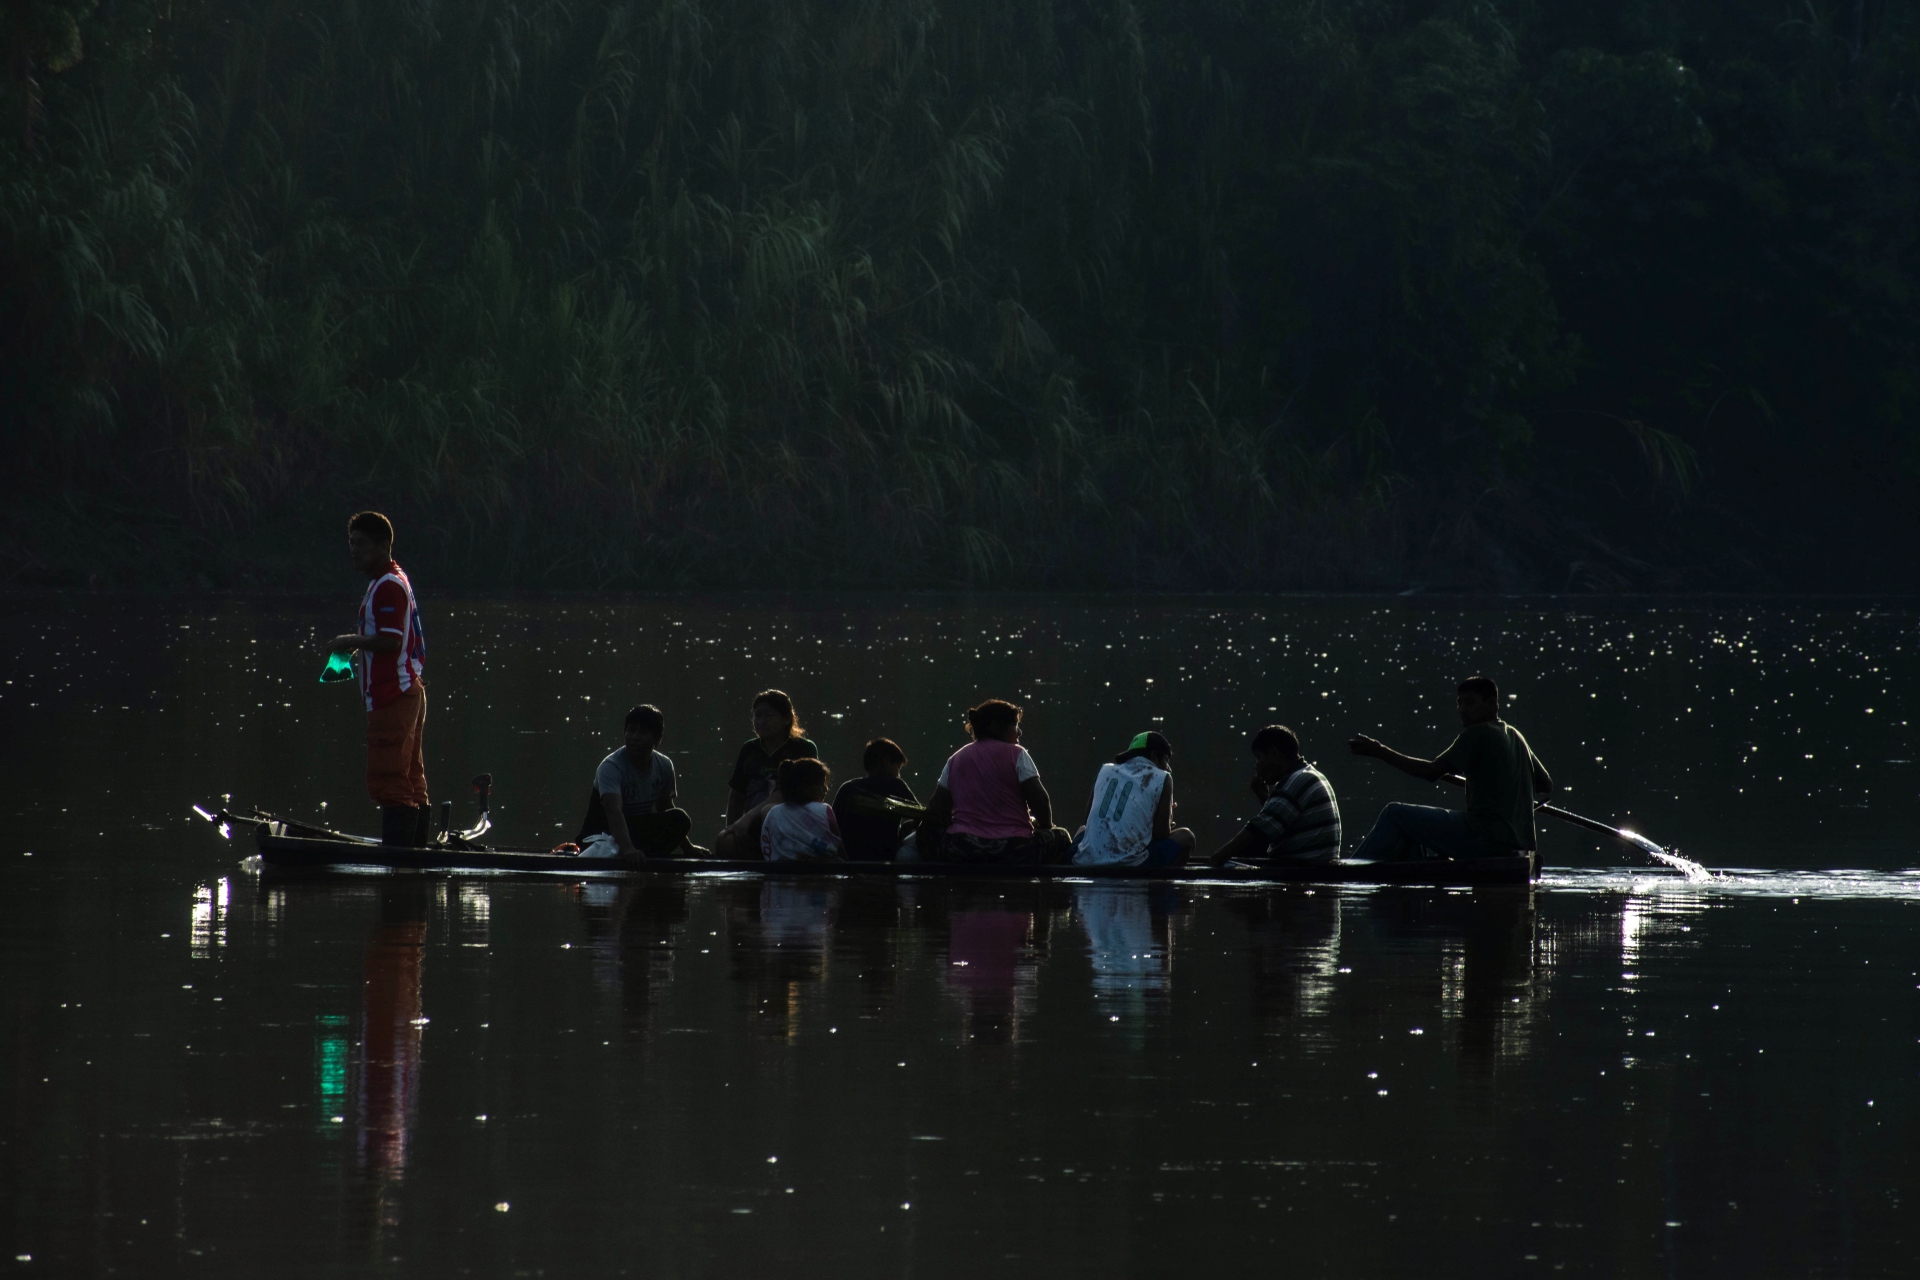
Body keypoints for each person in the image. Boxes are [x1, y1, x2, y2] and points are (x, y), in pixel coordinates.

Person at [1346, 676, 1553, 862]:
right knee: (1411, 828)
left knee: (1395, 814)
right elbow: (1545, 784)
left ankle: (1349, 871)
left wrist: (1379, 751)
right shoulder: (1516, 737)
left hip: (1485, 836)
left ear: (1492, 704)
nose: (1462, 709)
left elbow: (1431, 773)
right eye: (1459, 703)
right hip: (1519, 844)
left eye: (1470, 703)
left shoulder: (1478, 733)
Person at [323, 512, 429, 847]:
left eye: (363, 544)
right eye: (352, 544)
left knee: (391, 779)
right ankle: (415, 853)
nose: (355, 550)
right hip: (404, 689)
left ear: (384, 546)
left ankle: (401, 858)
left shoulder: (387, 585)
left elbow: (390, 640)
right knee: (409, 777)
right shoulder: (388, 580)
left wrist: (349, 642)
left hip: (392, 694)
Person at [919, 699, 1071, 864]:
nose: (1019, 732)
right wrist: (1046, 826)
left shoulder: (956, 758)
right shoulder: (1017, 754)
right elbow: (1040, 800)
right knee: (1061, 836)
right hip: (1014, 849)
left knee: (927, 832)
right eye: (1015, 725)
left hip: (963, 847)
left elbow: (937, 808)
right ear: (996, 727)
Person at [1207, 725, 1342, 866]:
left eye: (1259, 758)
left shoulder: (1297, 781)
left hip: (1305, 869)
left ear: (1274, 753)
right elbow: (1281, 825)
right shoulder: (1308, 775)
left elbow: (1259, 831)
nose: (1256, 767)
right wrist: (1264, 798)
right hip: (1312, 864)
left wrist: (1216, 859)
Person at [574, 705, 695, 860]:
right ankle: (636, 854)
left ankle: (644, 856)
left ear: (657, 739)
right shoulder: (611, 767)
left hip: (635, 830)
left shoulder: (664, 765)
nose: (635, 737)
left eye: (643, 732)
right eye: (631, 730)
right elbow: (614, 812)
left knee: (680, 819)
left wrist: (687, 848)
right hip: (603, 835)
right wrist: (628, 849)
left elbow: (664, 807)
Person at [1071, 731, 1196, 868]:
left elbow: (1087, 823)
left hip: (1085, 860)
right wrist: (1168, 817)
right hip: (1132, 863)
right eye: (1166, 760)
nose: (1168, 768)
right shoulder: (1163, 778)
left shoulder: (1105, 770)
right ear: (1154, 756)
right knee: (1187, 837)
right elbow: (1161, 834)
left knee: (1082, 829)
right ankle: (1163, 884)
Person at [724, 690, 820, 826]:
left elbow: (803, 792)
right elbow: (737, 795)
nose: (761, 722)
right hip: (751, 824)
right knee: (724, 842)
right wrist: (731, 828)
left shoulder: (803, 748)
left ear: (786, 719)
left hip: (793, 822)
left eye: (768, 716)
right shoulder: (749, 749)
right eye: (757, 716)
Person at [832, 738, 919, 860]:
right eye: (898, 768)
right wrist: (907, 827)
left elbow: (833, 825)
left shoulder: (847, 788)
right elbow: (920, 815)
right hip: (885, 855)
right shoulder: (896, 785)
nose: (898, 774)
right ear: (886, 762)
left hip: (851, 855)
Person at [760, 758, 846, 861]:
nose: (825, 788)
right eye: (821, 783)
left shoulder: (773, 813)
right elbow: (840, 850)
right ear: (806, 788)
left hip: (781, 874)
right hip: (821, 872)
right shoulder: (824, 810)